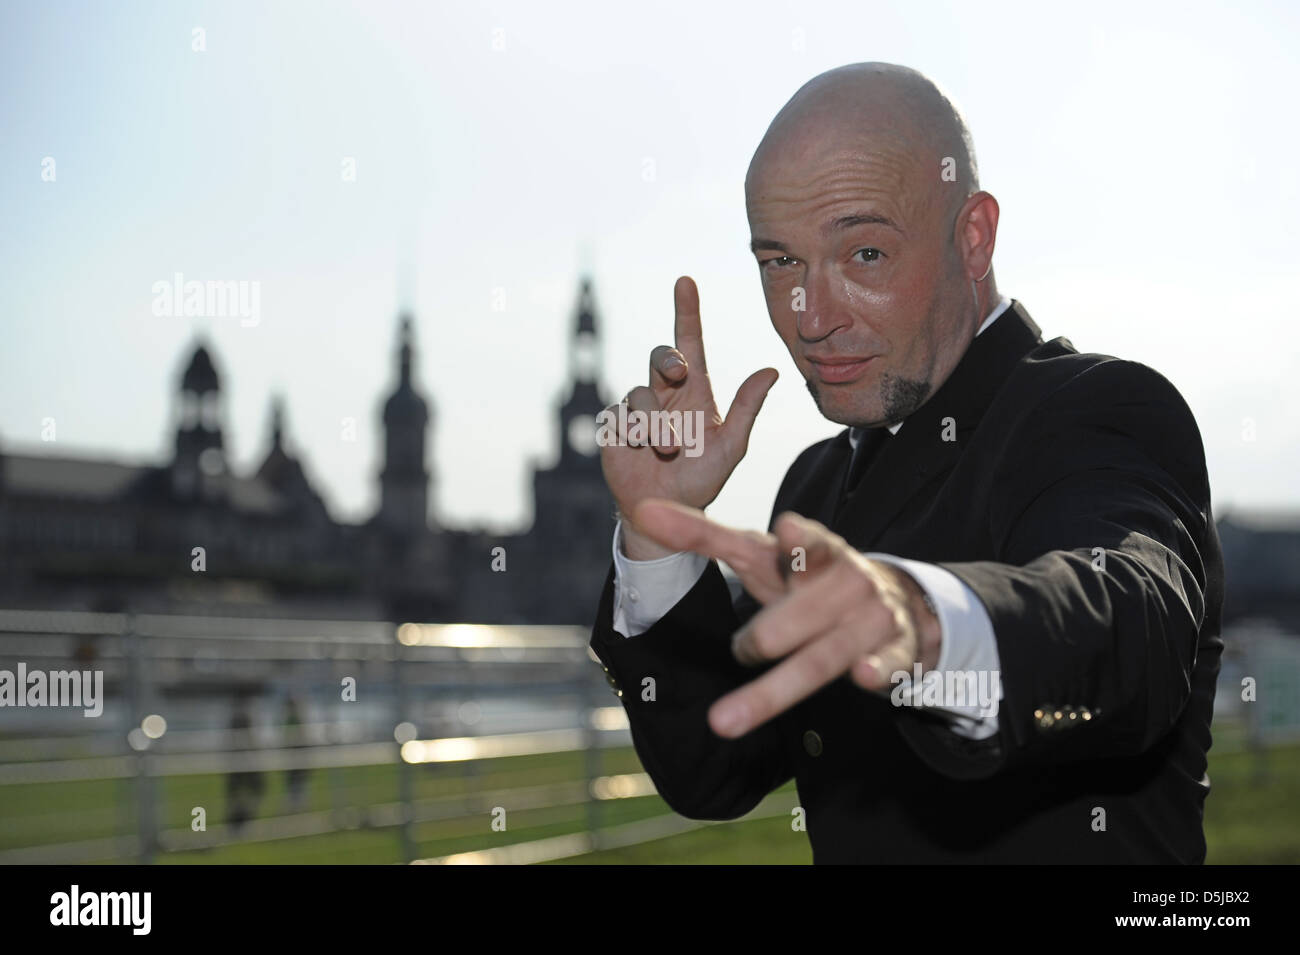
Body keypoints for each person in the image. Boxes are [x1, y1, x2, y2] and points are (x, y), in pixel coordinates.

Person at [588, 62, 1223, 863]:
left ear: (973, 237)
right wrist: (662, 539)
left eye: (865, 254)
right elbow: (714, 768)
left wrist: (928, 625)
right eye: (780, 263)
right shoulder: (817, 482)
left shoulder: (1098, 410)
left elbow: (1132, 619)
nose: (810, 317)